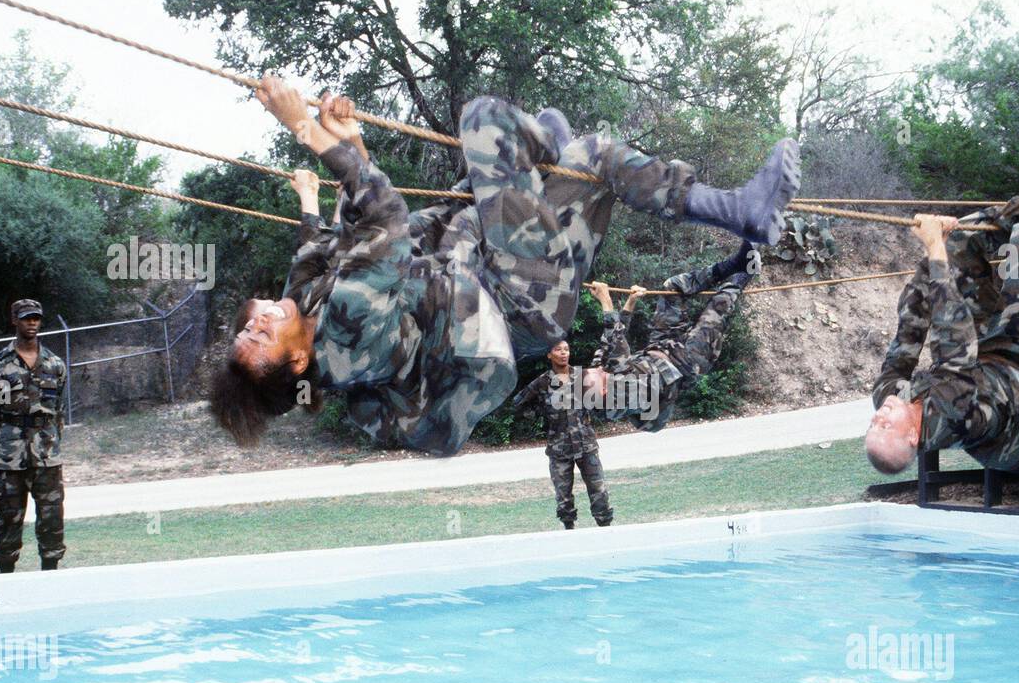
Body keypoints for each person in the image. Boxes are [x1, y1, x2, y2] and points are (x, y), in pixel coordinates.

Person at [210, 76, 800, 456]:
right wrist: (304, 129)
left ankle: (563, 162)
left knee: (583, 158)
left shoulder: (304, 302)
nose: (254, 323)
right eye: (256, 344)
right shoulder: (346, 334)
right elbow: (385, 225)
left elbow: (338, 234)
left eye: (245, 327)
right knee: (487, 121)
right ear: (296, 362)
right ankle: (549, 157)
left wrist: (350, 141)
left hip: (494, 268)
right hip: (518, 297)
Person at [865, 144, 1019, 475]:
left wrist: (940, 245)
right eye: (885, 427)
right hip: (1017, 359)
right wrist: (933, 248)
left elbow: (911, 328)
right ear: (913, 436)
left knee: (961, 238)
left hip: (980, 349)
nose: (878, 418)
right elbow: (953, 341)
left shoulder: (888, 397)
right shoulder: (952, 416)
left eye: (872, 425)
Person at [581, 241, 758, 432]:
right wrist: (606, 302)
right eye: (597, 376)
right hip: (688, 363)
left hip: (662, 345)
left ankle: (735, 263)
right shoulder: (622, 400)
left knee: (672, 288)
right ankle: (746, 271)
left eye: (590, 370)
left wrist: (630, 303)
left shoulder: (598, 375)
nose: (597, 370)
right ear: (604, 391)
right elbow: (618, 351)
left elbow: (609, 341)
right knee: (717, 306)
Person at [0, 299, 68, 573]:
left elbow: (58, 412)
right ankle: (6, 578)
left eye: (36, 318)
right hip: (9, 456)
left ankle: (50, 575)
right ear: (14, 320)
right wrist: (2, 445)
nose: (32, 323)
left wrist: (50, 443)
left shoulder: (54, 364)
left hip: (47, 455)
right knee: (8, 518)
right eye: (26, 318)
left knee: (52, 517)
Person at [511, 339, 612, 530]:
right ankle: (569, 531)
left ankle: (605, 528)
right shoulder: (542, 382)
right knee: (564, 499)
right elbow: (518, 404)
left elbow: (600, 399)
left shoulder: (583, 376)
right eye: (558, 349)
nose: (564, 353)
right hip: (559, 449)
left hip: (587, 446)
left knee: (599, 492)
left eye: (566, 349)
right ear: (549, 355)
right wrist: (540, 413)